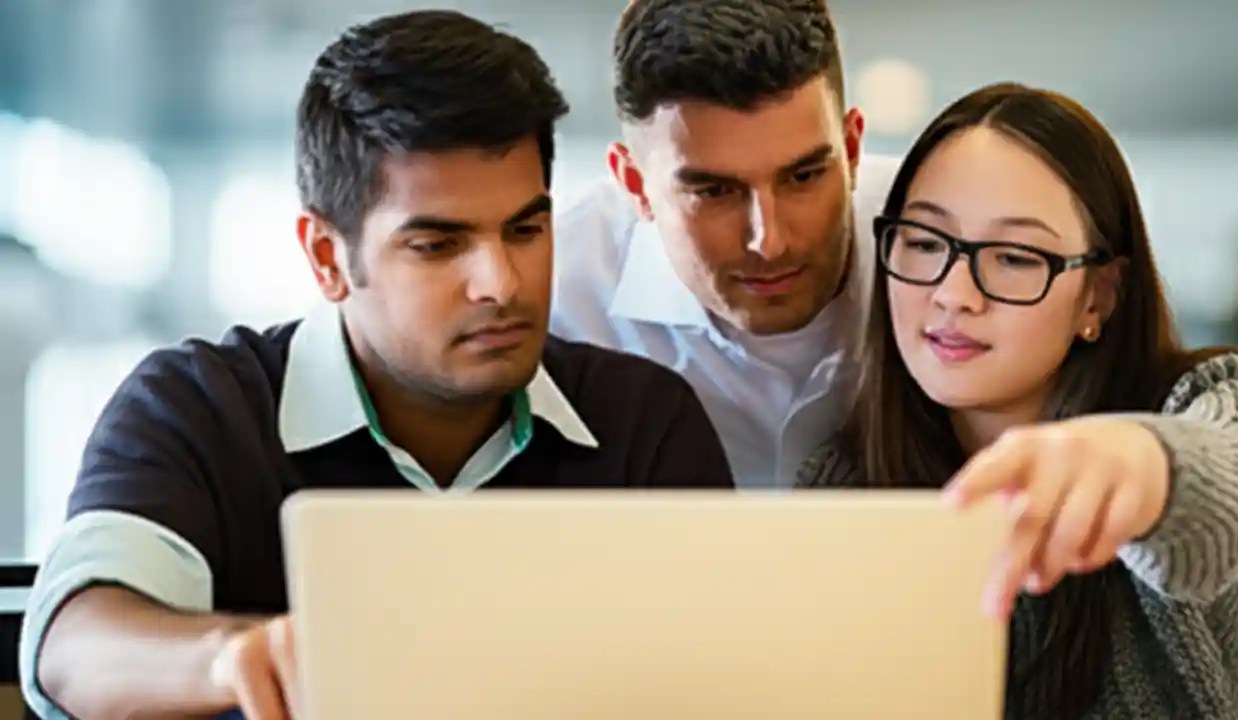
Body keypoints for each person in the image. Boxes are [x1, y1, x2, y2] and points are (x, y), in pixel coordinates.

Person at [19, 11, 732, 720]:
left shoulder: (645, 425)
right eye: (437, 245)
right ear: (327, 256)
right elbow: (74, 649)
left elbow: (720, 686)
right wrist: (236, 657)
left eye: (525, 229)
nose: (502, 283)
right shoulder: (199, 409)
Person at [799, 83, 1238, 719]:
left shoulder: (1208, 398)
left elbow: (1233, 473)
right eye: (924, 242)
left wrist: (1142, 465)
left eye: (1015, 257)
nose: (954, 292)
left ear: (1098, 297)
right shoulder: (841, 483)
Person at [551, 0, 899, 488]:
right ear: (635, 185)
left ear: (853, 150)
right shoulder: (557, 291)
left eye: (804, 176)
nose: (769, 241)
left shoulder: (950, 239)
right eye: (713, 192)